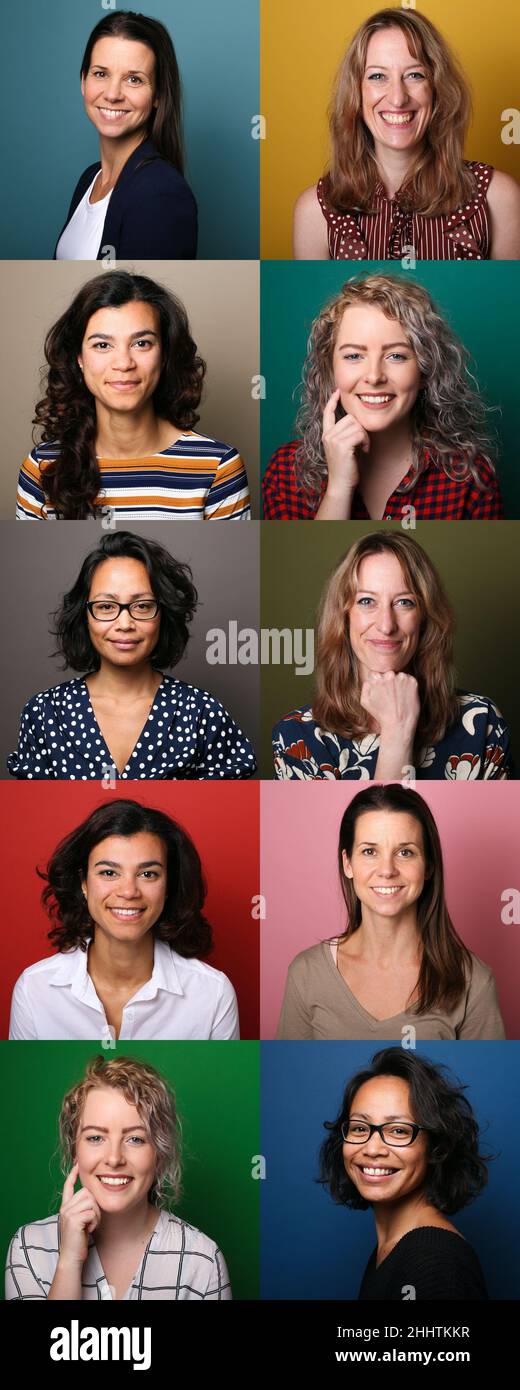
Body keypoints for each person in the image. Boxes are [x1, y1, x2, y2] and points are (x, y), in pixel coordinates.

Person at [7, 530, 256, 780]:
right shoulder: (44, 713)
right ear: (84, 616)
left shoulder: (202, 712)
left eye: (142, 606)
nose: (124, 623)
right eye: (106, 606)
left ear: (163, 614)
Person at [272, 531, 513, 781]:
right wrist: (396, 734)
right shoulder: (297, 735)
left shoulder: (482, 721)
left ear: (424, 618)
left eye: (404, 602)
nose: (386, 626)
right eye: (366, 601)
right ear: (344, 617)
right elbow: (381, 820)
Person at [262, 274, 503, 520]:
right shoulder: (285, 472)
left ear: (424, 371)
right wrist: (337, 490)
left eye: (396, 356)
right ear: (331, 369)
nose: (374, 376)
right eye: (354, 356)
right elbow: (313, 558)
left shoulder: (468, 477)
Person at [276, 783, 506, 1040]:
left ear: (428, 865)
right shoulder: (307, 972)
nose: (387, 870)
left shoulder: (474, 980)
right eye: (369, 851)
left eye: (405, 852)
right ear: (348, 863)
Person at [16, 270, 250, 521]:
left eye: (142, 343)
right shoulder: (42, 467)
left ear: (164, 355)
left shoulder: (218, 466)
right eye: (102, 345)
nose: (124, 363)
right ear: (79, 358)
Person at [294, 8, 520, 261]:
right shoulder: (314, 211)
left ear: (436, 88)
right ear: (357, 94)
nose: (398, 98)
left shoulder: (498, 198)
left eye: (414, 75)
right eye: (377, 76)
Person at [9, 797, 239, 1041]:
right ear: (83, 883)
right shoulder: (34, 989)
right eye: (109, 873)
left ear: (168, 885)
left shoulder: (213, 993)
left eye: (148, 874)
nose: (129, 891)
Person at [5, 1054, 232, 1299]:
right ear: (75, 1150)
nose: (114, 1159)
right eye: (95, 1138)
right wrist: (69, 1262)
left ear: (159, 1152)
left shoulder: (202, 1260)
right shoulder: (28, 1247)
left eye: (135, 1139)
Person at [54, 11, 197, 260]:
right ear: (83, 82)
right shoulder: (89, 179)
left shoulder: (161, 193)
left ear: (158, 96)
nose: (112, 94)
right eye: (101, 74)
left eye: (133, 79)